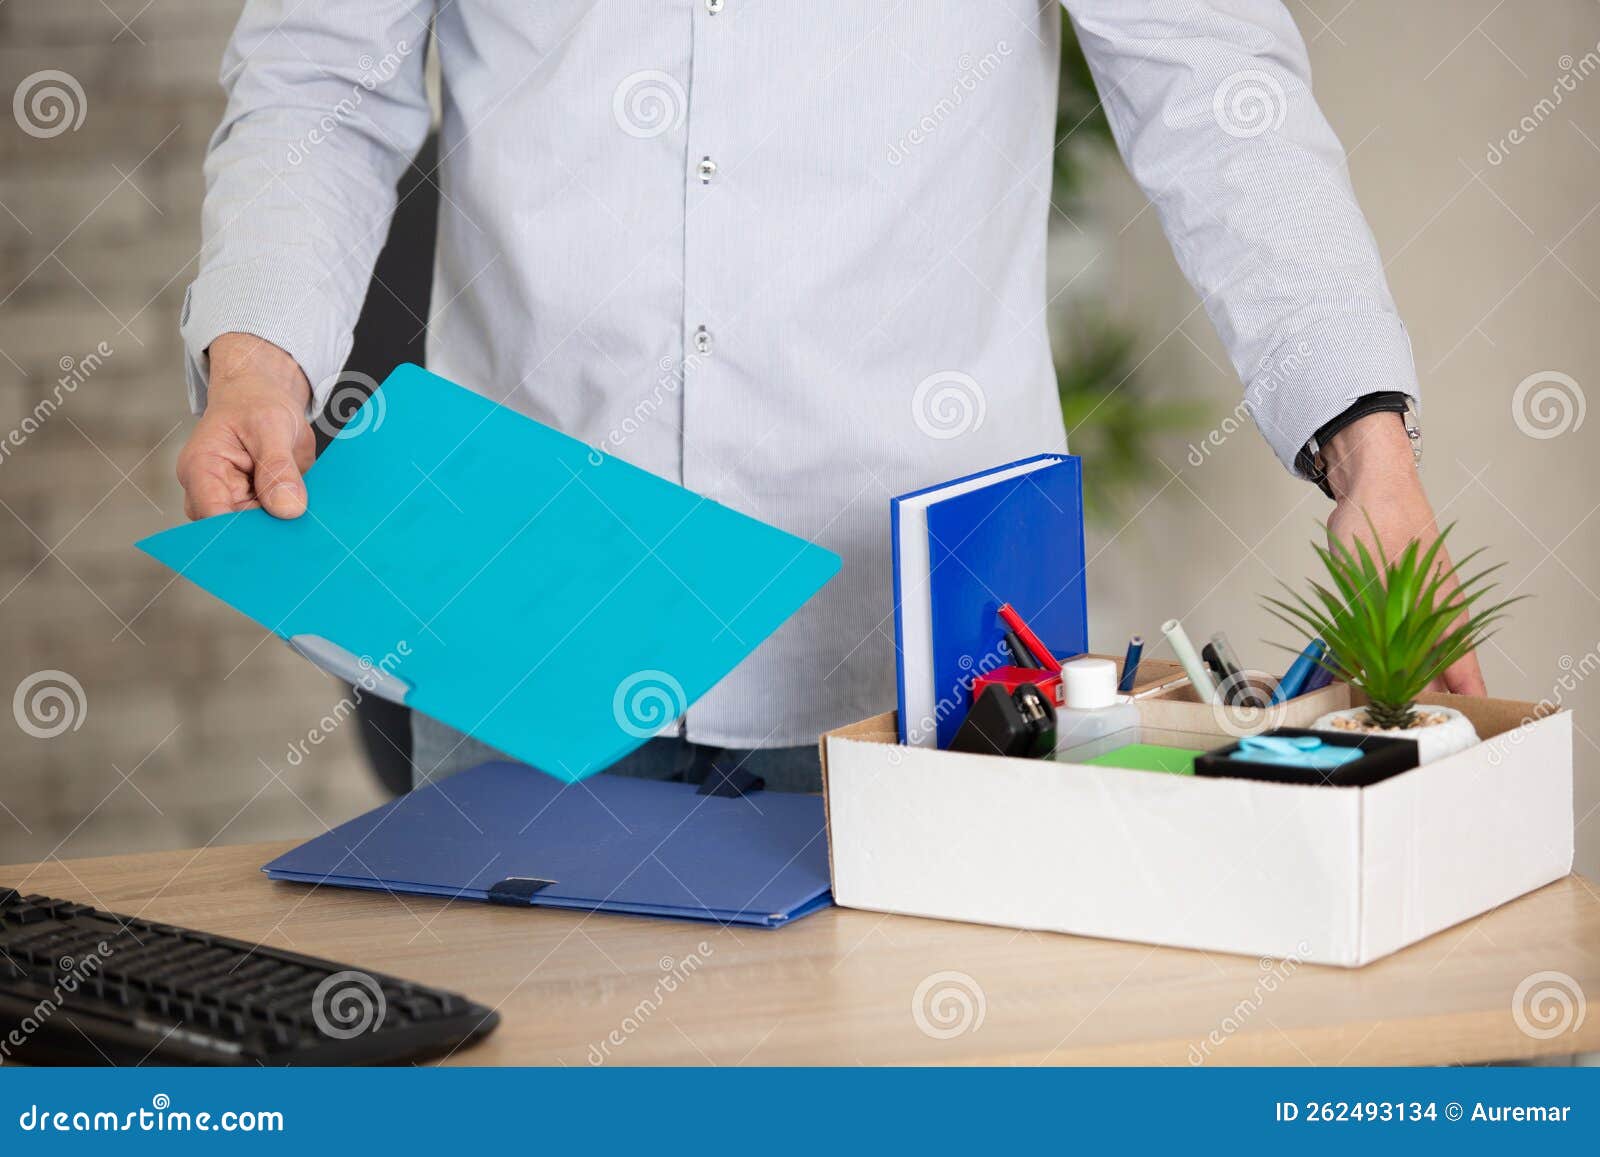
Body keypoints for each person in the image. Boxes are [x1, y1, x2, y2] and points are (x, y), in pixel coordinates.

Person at [174, 1, 1485, 794]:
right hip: (527, 606)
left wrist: (1366, 440)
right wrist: (257, 357)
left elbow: (1214, 90)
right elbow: (317, 76)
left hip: (918, 661)